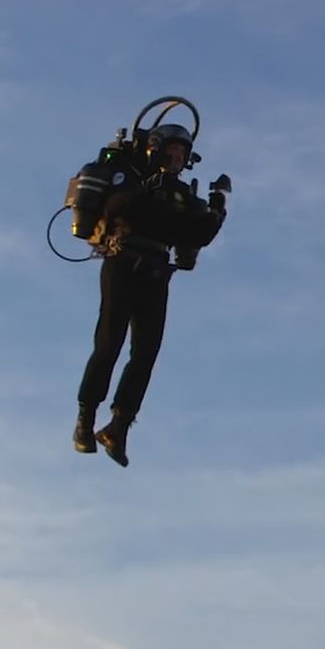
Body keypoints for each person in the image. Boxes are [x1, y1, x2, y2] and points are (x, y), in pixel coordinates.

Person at [71, 123, 228, 467]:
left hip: (157, 273)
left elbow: (195, 236)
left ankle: (120, 425)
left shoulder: (182, 194)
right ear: (156, 148)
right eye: (172, 150)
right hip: (122, 261)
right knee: (109, 344)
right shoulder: (128, 176)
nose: (177, 157)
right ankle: (85, 418)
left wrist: (217, 210)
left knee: (145, 354)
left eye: (182, 153)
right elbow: (113, 208)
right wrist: (144, 190)